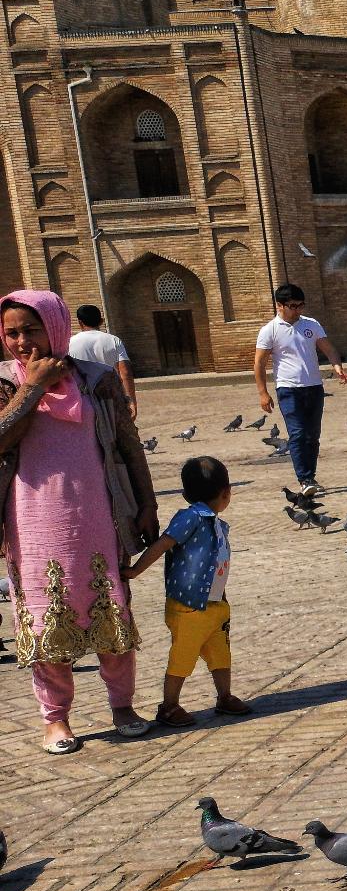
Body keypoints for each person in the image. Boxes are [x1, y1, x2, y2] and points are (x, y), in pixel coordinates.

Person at [0, 289, 157, 754]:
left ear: (56, 326)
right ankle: (56, 719)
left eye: (32, 329)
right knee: (46, 617)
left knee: (111, 607)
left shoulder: (97, 378)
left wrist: (146, 504)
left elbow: (128, 445)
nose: (23, 341)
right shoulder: (6, 382)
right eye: (12, 332)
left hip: (98, 514)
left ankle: (123, 707)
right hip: (31, 520)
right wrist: (33, 388)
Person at [122, 455, 251, 727]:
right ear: (227, 493)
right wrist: (135, 570)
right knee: (183, 656)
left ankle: (224, 696)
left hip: (215, 605)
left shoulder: (215, 523)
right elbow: (162, 544)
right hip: (189, 606)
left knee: (221, 654)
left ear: (184, 493)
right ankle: (168, 706)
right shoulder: (190, 518)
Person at [254, 285, 347, 493]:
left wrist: (337, 367)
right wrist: (263, 393)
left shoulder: (311, 325)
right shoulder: (270, 330)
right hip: (288, 389)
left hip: (314, 387)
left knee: (312, 435)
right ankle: (304, 479)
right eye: (292, 306)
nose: (297, 310)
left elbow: (329, 349)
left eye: (300, 305)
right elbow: (259, 363)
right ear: (280, 306)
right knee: (297, 434)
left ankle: (311, 477)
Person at [67, 305, 138, 424]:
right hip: (113, 398)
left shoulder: (70, 343)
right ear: (101, 321)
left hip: (84, 401)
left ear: (80, 322)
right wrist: (131, 401)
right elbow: (125, 372)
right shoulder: (113, 340)